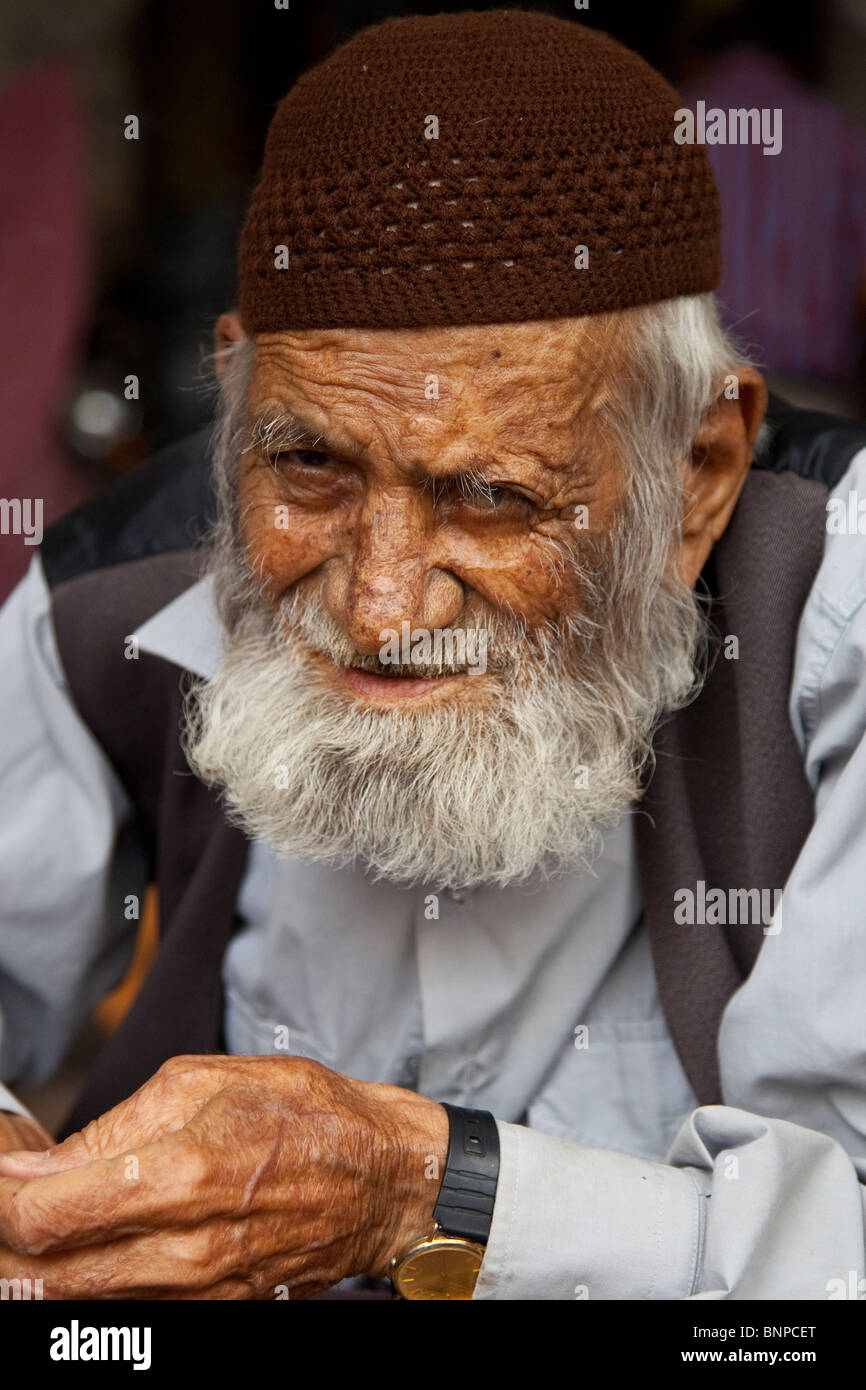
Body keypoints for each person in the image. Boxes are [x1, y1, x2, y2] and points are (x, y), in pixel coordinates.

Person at [0, 9, 864, 1301]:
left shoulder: (832, 602)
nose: (383, 604)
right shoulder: (107, 590)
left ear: (696, 471)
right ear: (236, 387)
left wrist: (429, 1191)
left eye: (492, 496)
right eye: (310, 467)